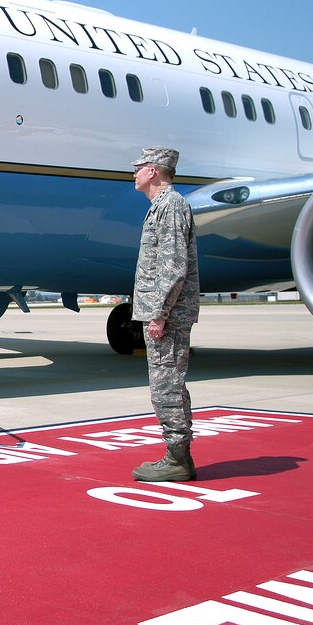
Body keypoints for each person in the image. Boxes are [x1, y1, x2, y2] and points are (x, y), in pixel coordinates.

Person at [129, 146, 200, 482]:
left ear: (153, 171)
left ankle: (177, 459)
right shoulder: (162, 206)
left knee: (166, 387)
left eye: (139, 167)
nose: (134, 173)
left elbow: (173, 266)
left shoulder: (170, 205)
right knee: (169, 385)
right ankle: (177, 455)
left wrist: (159, 313)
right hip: (163, 312)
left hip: (167, 315)